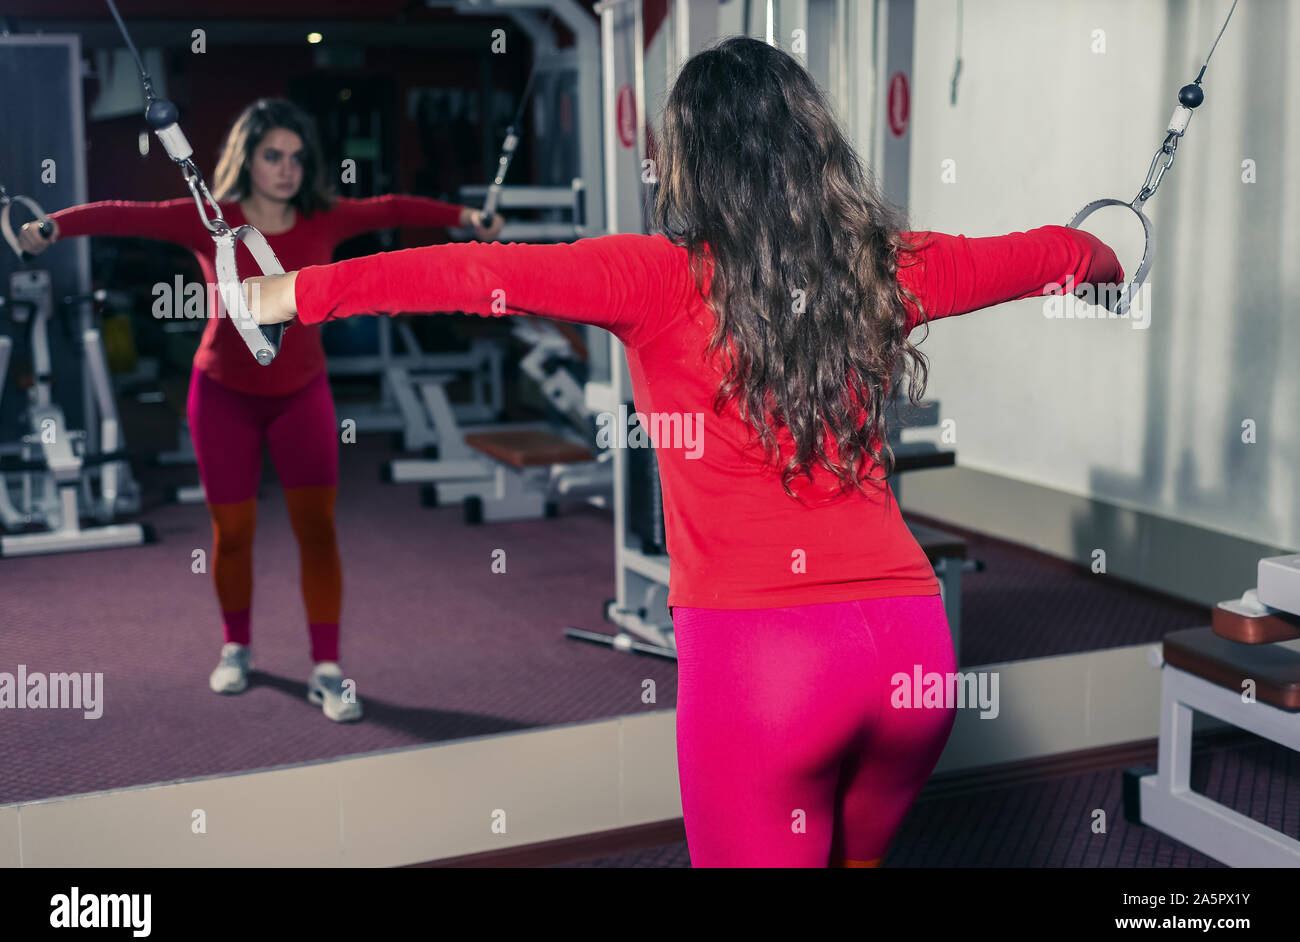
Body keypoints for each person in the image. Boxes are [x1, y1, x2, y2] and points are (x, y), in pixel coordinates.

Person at [244, 39, 1123, 865]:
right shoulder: (885, 266)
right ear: (814, 144)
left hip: (767, 673)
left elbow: (475, 273)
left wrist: (289, 291)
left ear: (692, 160)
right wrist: (1110, 252)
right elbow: (1045, 254)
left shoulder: (654, 275)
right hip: (913, 655)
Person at [20, 98, 503, 723]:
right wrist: (53, 225)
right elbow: (124, 216)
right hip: (222, 396)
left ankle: (327, 668)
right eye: (273, 155)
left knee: (318, 531)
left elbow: (394, 208)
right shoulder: (209, 219)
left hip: (301, 394)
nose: (287, 169)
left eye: (298, 158)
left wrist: (465, 215)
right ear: (246, 158)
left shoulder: (326, 219)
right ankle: (237, 646)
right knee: (234, 536)